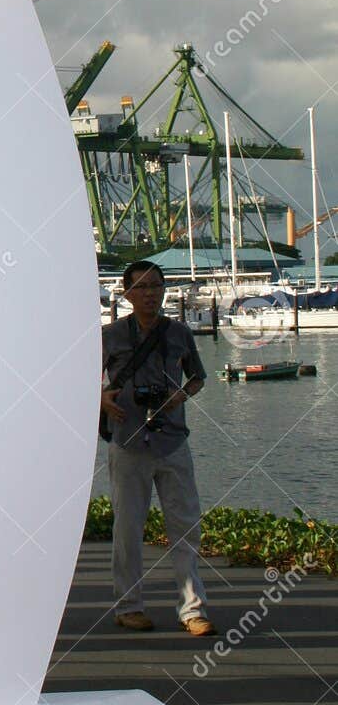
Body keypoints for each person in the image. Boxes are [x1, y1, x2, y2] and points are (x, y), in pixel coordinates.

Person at [100, 261, 214, 637]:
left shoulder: (179, 332)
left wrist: (181, 395)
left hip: (172, 439)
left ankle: (192, 609)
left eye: (157, 286)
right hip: (128, 439)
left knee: (185, 525)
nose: (151, 293)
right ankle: (129, 606)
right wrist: (102, 399)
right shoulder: (110, 335)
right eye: (143, 287)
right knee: (128, 528)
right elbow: (80, 379)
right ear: (127, 293)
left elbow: (198, 377)